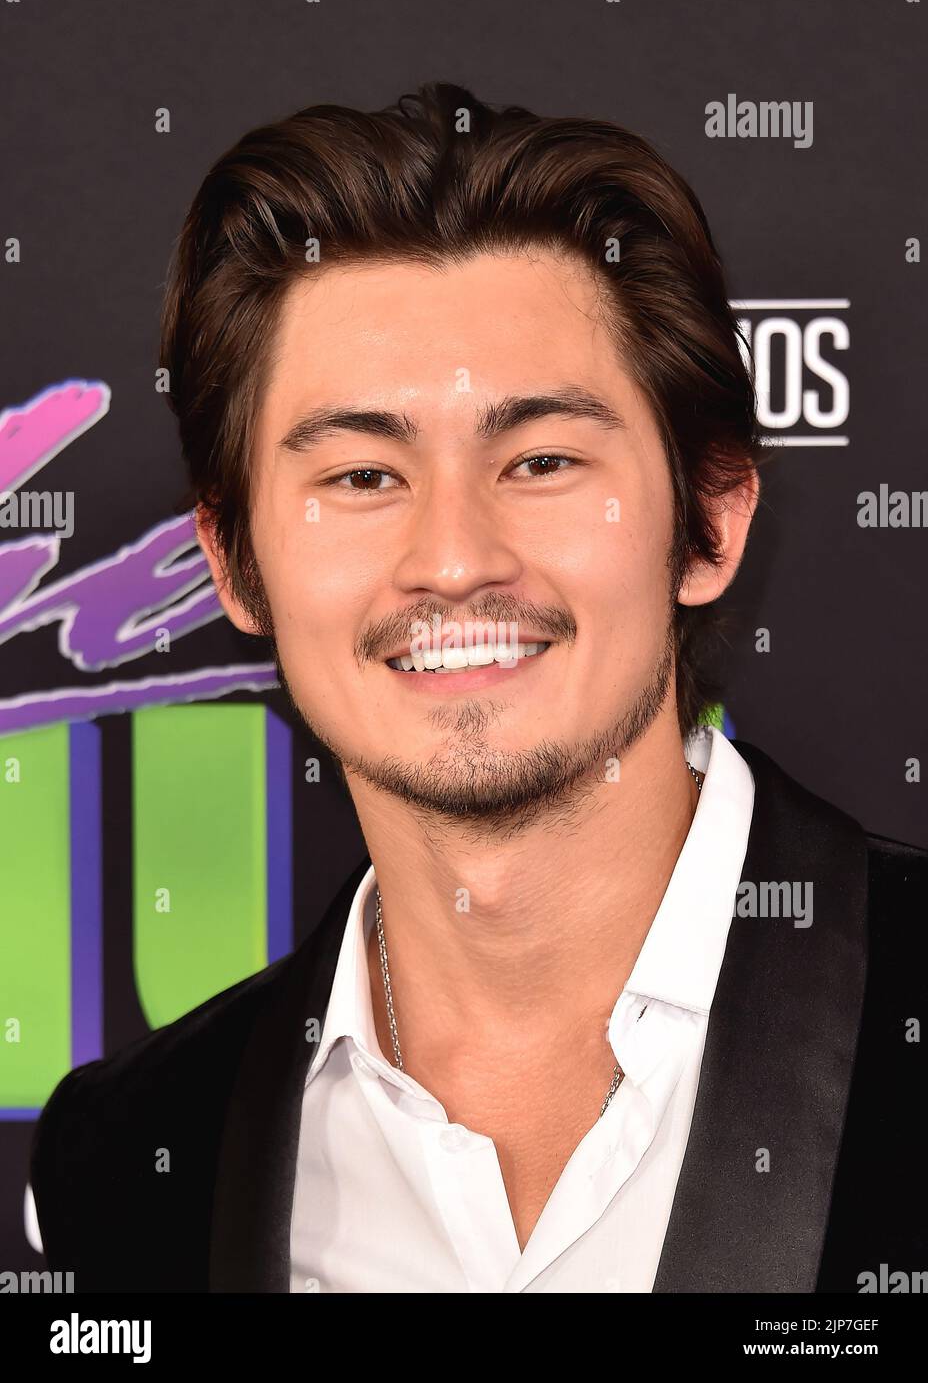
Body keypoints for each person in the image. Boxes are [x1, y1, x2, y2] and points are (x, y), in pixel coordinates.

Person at [29, 82, 927, 1294]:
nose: (453, 557)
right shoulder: (124, 1163)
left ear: (711, 517)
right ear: (234, 562)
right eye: (359, 475)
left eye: (542, 459)